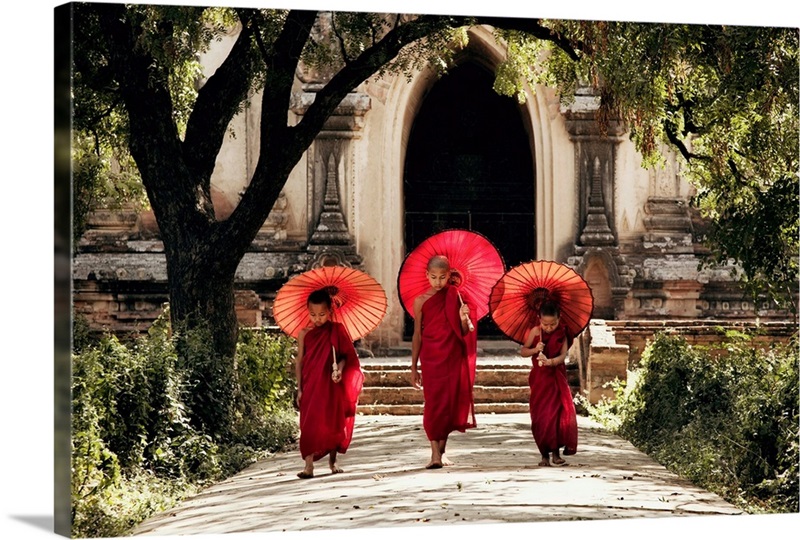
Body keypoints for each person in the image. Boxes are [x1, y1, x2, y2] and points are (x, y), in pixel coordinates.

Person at [410, 255, 478, 469]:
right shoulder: (420, 301)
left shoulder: (456, 296)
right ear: (426, 276)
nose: (438, 282)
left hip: (452, 355)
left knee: (448, 403)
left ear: (449, 275)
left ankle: (442, 451)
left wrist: (463, 317)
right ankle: (434, 454)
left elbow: (464, 331)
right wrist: (413, 366)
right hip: (431, 357)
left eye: (442, 277)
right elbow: (417, 335)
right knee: (433, 403)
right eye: (433, 277)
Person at [294, 289, 364, 479]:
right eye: (313, 314)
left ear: (330, 312)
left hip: (331, 384)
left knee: (333, 422)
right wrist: (299, 388)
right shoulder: (304, 334)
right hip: (310, 384)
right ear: (307, 312)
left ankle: (333, 462)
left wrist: (339, 370)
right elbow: (300, 361)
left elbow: (346, 358)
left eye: (322, 314)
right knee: (308, 424)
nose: (317, 319)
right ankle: (308, 466)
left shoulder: (337, 330)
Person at [519, 300, 578, 466]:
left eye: (553, 324)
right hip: (540, 379)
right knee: (541, 416)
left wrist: (550, 362)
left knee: (556, 415)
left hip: (556, 376)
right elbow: (523, 351)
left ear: (559, 319)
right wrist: (535, 350)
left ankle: (556, 454)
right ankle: (544, 455)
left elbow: (562, 356)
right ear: (539, 319)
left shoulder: (563, 332)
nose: (549, 328)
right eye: (546, 324)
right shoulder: (535, 332)